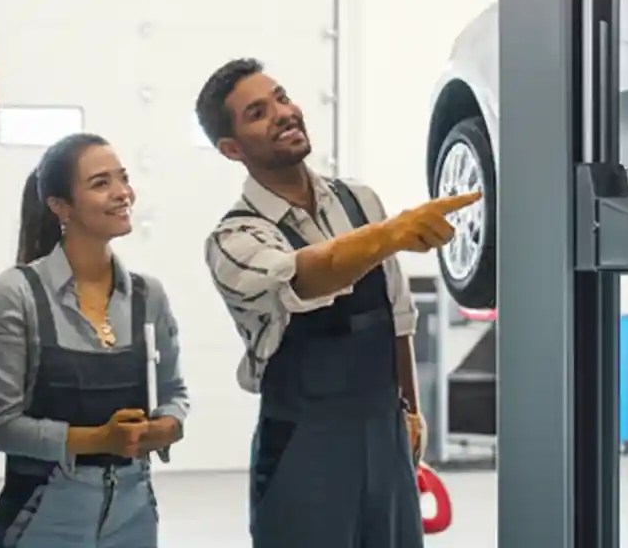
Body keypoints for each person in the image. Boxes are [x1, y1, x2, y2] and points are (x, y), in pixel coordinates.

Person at [196, 57, 481, 548]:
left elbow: (397, 315)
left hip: (385, 435)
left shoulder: (359, 201)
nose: (283, 113)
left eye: (282, 97)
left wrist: (410, 413)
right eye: (258, 112)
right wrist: (391, 234)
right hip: (303, 454)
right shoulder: (234, 238)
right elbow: (305, 276)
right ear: (231, 148)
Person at [0, 132, 189, 548]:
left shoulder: (150, 296)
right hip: (45, 512)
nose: (122, 193)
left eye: (123, 178)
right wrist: (98, 440)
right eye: (100, 183)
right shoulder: (16, 294)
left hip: (134, 509)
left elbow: (175, 394)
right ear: (60, 206)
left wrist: (163, 427)